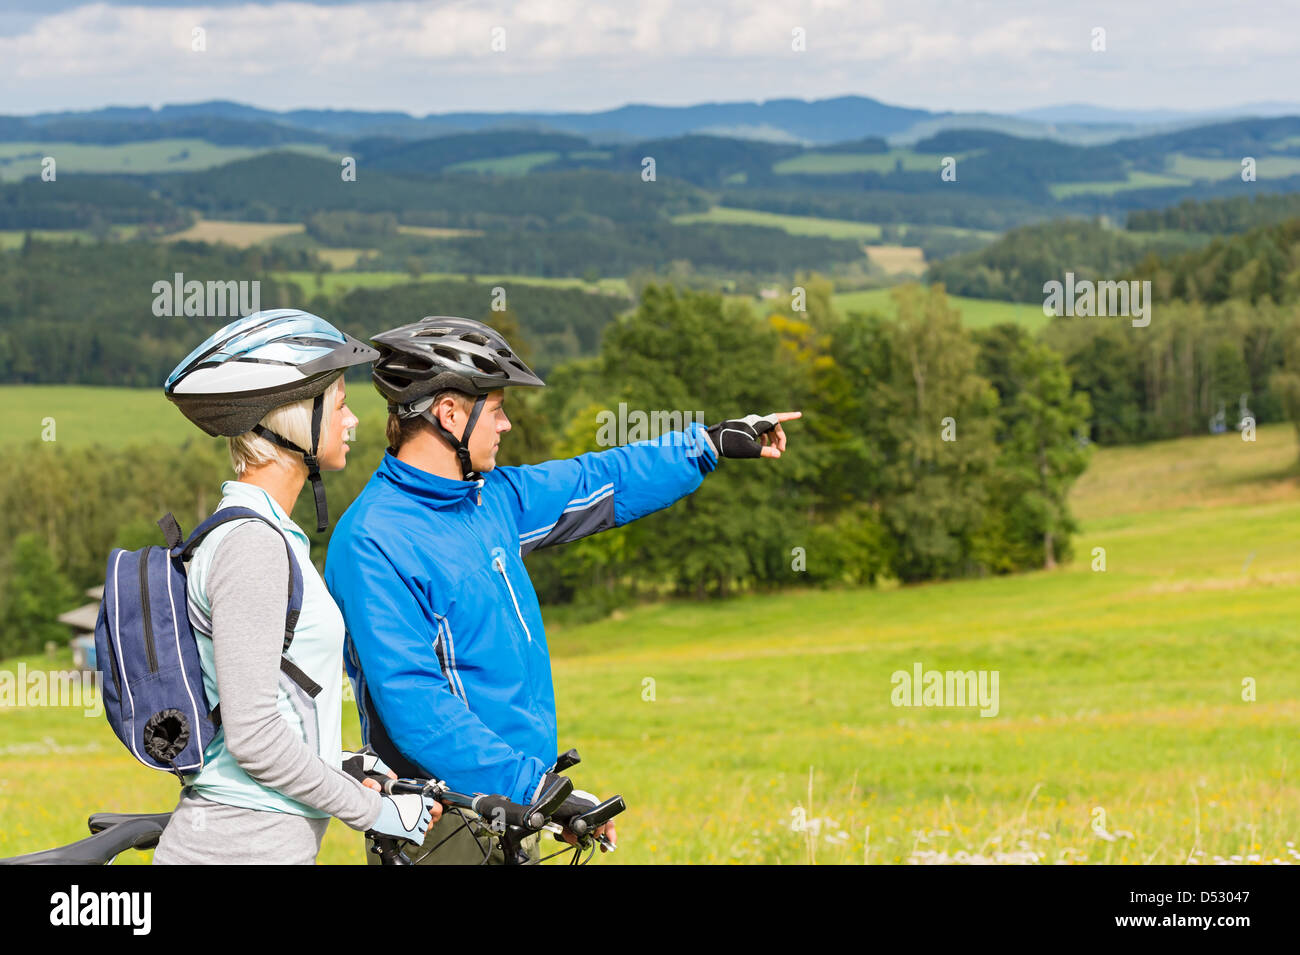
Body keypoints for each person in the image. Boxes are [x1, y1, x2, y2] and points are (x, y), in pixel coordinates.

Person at [324, 315, 798, 864]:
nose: (505, 426)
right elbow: (415, 706)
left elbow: (597, 481)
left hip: (509, 805)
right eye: (496, 410)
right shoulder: (374, 539)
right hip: (438, 818)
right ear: (448, 412)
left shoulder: (488, 499)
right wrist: (538, 793)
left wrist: (706, 446)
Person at [152, 309, 440, 865]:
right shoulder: (252, 547)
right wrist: (376, 812)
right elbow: (255, 739)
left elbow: (282, 705)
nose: (353, 421)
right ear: (291, 419)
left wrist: (341, 763)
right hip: (235, 850)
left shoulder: (269, 537)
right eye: (339, 406)